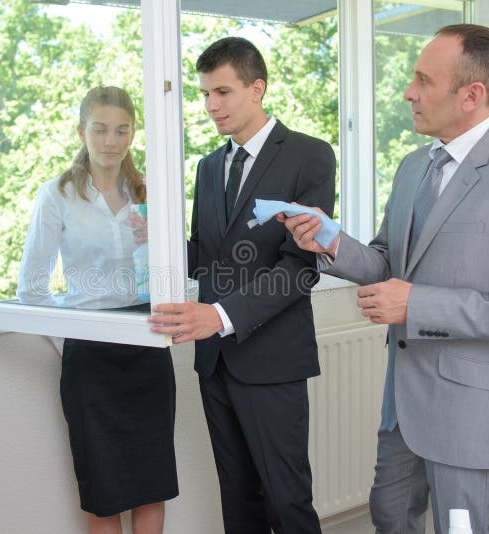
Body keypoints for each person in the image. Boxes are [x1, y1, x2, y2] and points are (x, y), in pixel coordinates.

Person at [279, 24, 489, 534]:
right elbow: (389, 264)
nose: (408, 92)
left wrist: (416, 305)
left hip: (470, 415)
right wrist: (331, 242)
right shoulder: (414, 166)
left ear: (471, 95)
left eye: (423, 80)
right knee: (390, 518)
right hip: (401, 407)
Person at [148, 37, 335, 533]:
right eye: (205, 94)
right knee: (237, 500)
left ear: (257, 88)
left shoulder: (310, 156)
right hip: (215, 361)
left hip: (272, 359)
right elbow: (207, 258)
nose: (211, 105)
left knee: (287, 501)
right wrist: (156, 237)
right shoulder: (209, 167)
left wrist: (219, 316)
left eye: (223, 92)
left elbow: (300, 268)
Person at [17, 86, 178, 534]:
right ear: (81, 132)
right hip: (89, 357)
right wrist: (73, 340)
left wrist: (156, 245)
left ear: (133, 134)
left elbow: (174, 276)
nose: (111, 140)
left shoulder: (149, 193)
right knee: (103, 492)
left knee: (151, 483)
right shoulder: (56, 196)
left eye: (122, 130)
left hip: (147, 350)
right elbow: (31, 288)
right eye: (100, 129)